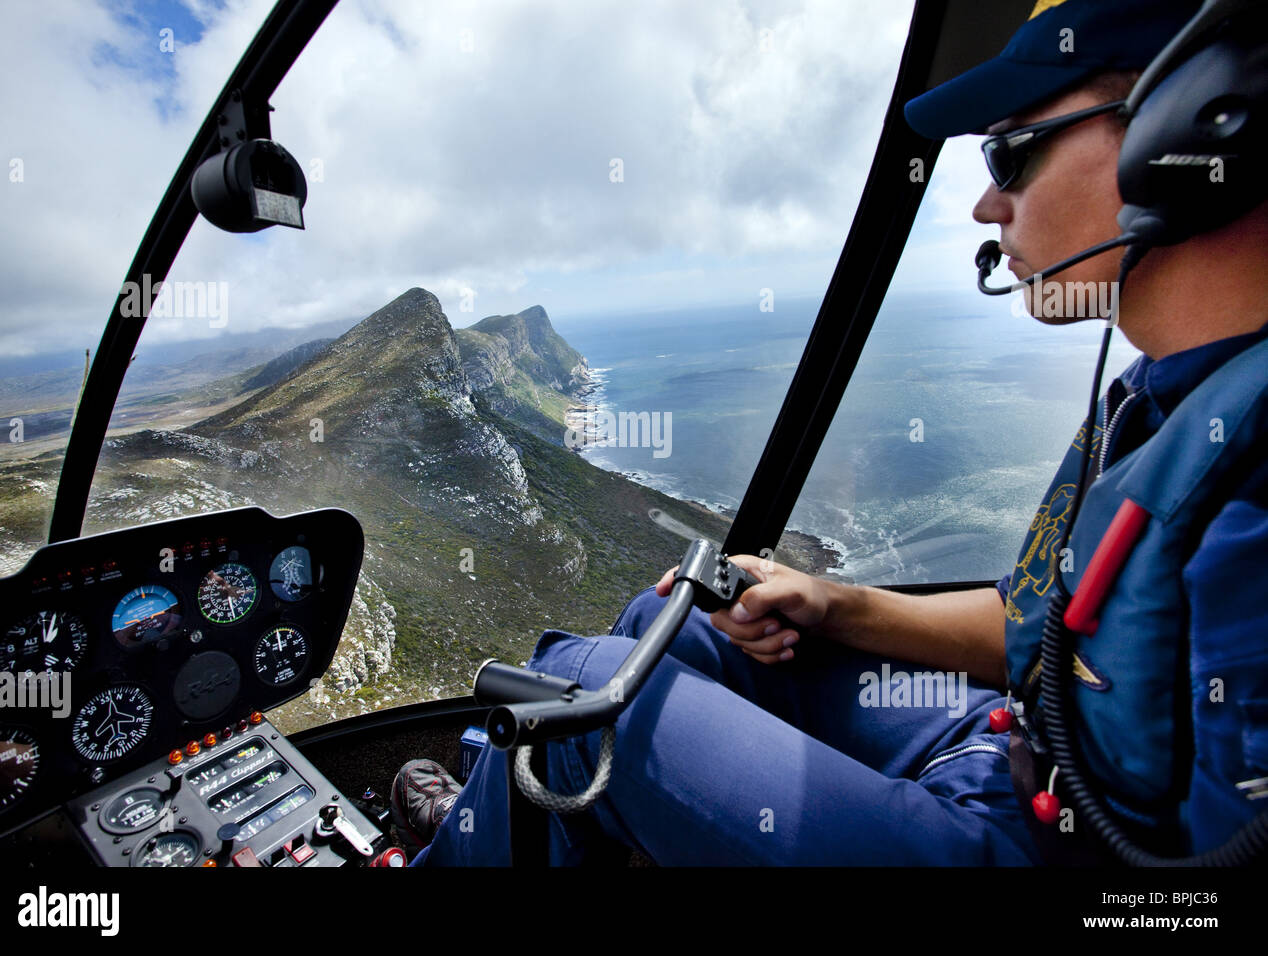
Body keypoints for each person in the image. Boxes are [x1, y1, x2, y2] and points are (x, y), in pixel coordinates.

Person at [405, 0, 1268, 865]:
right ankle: (501, 819)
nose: (983, 205)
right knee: (672, 619)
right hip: (1001, 744)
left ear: (1195, 128)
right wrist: (833, 605)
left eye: (1011, 152)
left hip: (1043, 846)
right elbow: (1032, 623)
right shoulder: (1152, 398)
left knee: (590, 694)